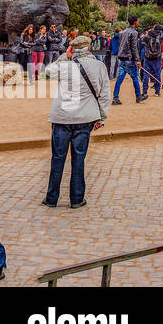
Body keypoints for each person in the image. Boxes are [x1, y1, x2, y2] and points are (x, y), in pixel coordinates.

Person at [42, 33, 110, 209]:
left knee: (57, 158)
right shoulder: (99, 66)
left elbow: (47, 72)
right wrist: (101, 118)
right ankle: (77, 199)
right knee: (78, 160)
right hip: (85, 117)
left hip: (62, 117)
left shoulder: (65, 65)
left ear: (72, 49)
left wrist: (65, 55)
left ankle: (51, 198)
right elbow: (104, 95)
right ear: (89, 47)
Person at [111, 17, 143, 105]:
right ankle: (138, 96)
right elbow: (134, 47)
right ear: (135, 22)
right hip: (130, 59)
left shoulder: (123, 32)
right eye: (138, 21)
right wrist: (137, 59)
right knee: (135, 78)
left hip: (122, 58)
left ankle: (115, 98)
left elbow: (121, 44)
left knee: (119, 79)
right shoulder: (134, 32)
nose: (138, 22)